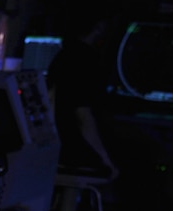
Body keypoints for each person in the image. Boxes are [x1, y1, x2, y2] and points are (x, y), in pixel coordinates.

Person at [46, 9, 119, 179]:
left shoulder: (62, 56)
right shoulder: (86, 60)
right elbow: (83, 116)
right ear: (99, 28)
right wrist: (105, 159)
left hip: (60, 148)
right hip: (77, 153)